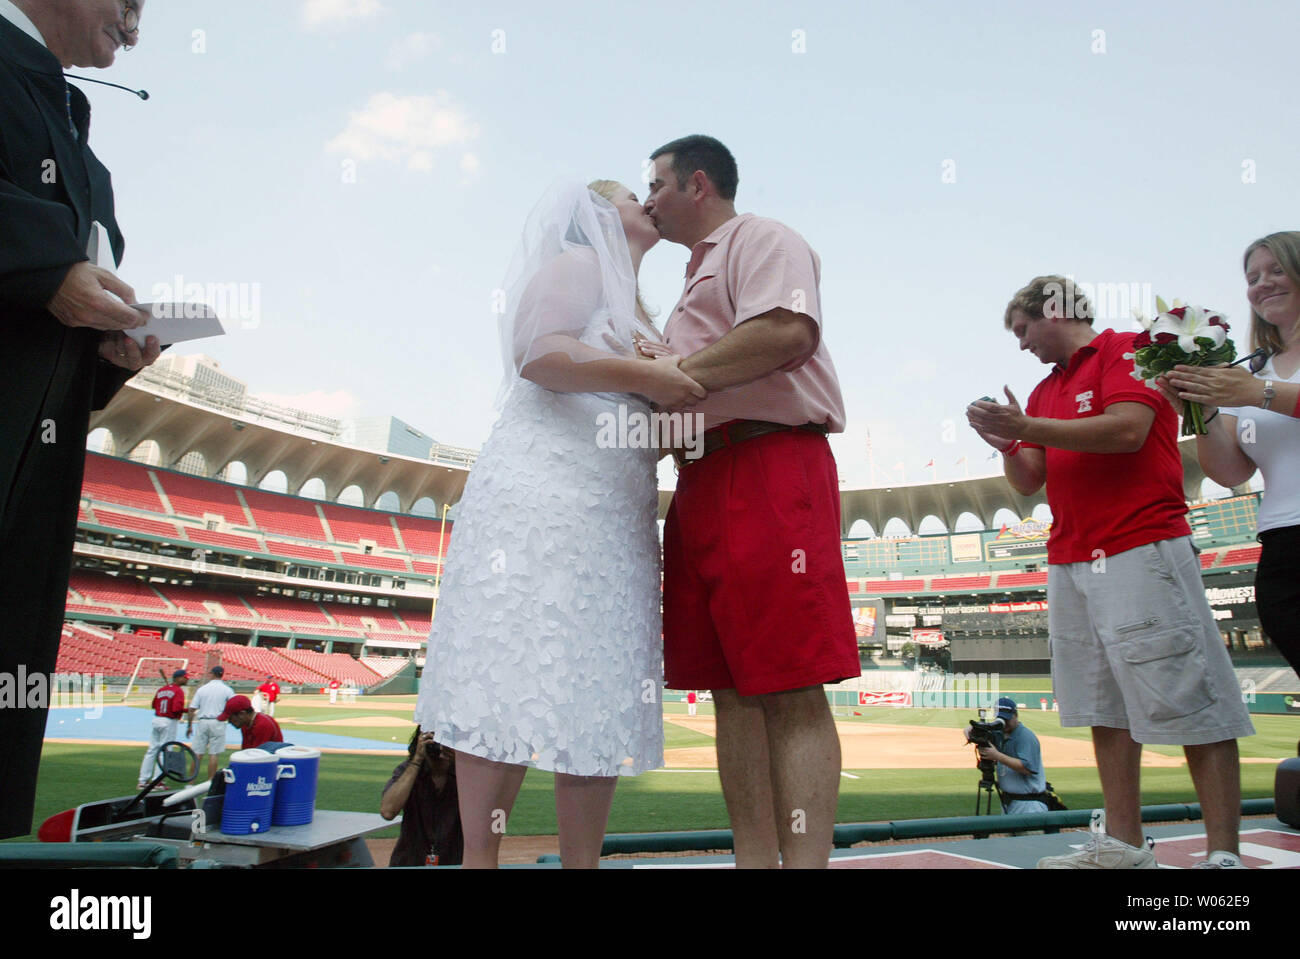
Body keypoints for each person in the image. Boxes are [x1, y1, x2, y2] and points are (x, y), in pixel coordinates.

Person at [414, 179, 706, 868]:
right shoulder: (577, 267)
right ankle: (478, 858)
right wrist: (647, 372)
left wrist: (681, 404)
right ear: (602, 215)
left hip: (613, 504)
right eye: (635, 194)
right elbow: (539, 353)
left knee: (594, 684)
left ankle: (584, 862)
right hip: (545, 493)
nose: (649, 200)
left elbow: (649, 415)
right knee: (508, 669)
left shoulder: (642, 310)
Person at [967, 275, 1255, 869]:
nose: (1021, 345)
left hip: (1140, 544)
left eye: (1023, 330)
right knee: (1103, 707)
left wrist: (1028, 428)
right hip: (1072, 556)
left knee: (1190, 697)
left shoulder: (1127, 349)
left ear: (1055, 309)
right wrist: (1006, 440)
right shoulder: (1045, 390)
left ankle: (1222, 852)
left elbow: (1129, 430)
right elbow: (1029, 481)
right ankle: (1125, 844)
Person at [640, 135, 859, 868]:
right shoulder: (688, 286)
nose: (648, 200)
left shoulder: (762, 237)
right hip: (700, 478)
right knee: (729, 692)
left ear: (698, 184)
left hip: (768, 462)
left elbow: (787, 330)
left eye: (657, 184)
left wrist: (677, 373)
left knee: (790, 686)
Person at [0, 0, 162, 839]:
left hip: (39, 470)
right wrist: (45, 266)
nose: (134, 30)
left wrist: (108, 356)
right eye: (127, 5)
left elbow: (71, 300)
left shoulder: (86, 147)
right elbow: (48, 270)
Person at [1160, 232, 1300, 686]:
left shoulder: (1253, 383)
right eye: (1253, 277)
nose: (1263, 284)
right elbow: (1232, 470)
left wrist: (1259, 393)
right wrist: (1198, 411)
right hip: (1282, 544)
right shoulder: (1253, 370)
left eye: (1276, 270)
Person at [381, 728, 464, 866]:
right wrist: (417, 760)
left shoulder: (464, 774)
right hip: (410, 860)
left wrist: (461, 762)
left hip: (454, 861)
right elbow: (388, 811)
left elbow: (490, 814)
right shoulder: (409, 771)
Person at [965, 697, 1048, 814]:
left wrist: (996, 755)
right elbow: (971, 730)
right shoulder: (1000, 734)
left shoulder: (1026, 737)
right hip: (1008, 802)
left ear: (1016, 715)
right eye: (1001, 719)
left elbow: (1027, 768)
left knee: (1029, 833)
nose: (1005, 723)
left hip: (1029, 806)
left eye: (1007, 719)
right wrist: (973, 731)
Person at [138, 669, 187, 788]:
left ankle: (142, 781)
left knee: (152, 750)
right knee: (165, 751)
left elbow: (154, 705)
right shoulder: (178, 691)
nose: (186, 679)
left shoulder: (162, 689)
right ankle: (157, 781)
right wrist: (187, 710)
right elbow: (176, 709)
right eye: (184, 677)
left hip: (157, 719)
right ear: (177, 678)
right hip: (168, 722)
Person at [186, 665, 234, 780]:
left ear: (212, 674)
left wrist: (189, 726)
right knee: (214, 754)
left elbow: (192, 709)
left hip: (203, 721)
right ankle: (210, 781)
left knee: (197, 753)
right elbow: (233, 705)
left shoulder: (202, 689)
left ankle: (190, 782)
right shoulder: (227, 689)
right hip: (218, 722)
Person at [218, 694, 283, 750]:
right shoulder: (245, 725)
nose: (229, 722)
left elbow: (257, 756)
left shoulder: (262, 725)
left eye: (230, 718)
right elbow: (246, 752)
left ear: (242, 714)